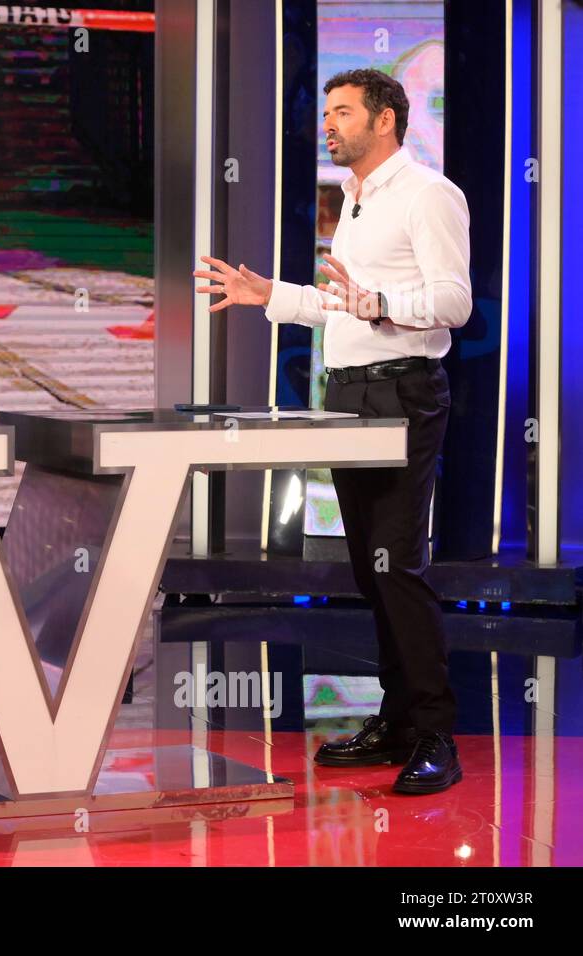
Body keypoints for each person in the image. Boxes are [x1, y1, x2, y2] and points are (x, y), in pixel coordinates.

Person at [193, 69, 471, 795]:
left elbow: (454, 302)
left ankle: (437, 732)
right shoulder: (351, 199)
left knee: (396, 566)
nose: (330, 124)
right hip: (349, 396)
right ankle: (398, 717)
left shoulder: (428, 193)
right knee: (367, 569)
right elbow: (343, 303)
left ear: (385, 120)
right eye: (327, 113)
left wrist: (375, 301)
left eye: (343, 112)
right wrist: (271, 296)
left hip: (404, 392)